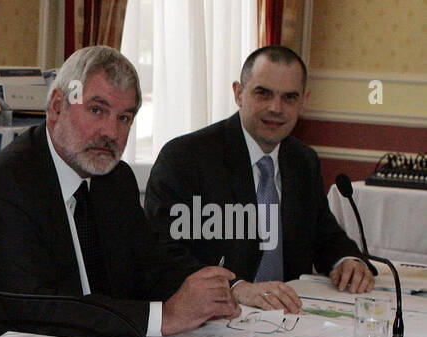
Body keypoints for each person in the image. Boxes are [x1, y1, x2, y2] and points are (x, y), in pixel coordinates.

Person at [0, 46, 240, 337]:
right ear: (58, 107)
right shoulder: (3, 187)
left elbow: (152, 262)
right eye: (97, 110)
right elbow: (38, 310)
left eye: (124, 118)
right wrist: (166, 316)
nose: (110, 132)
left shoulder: (114, 179)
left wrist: (225, 288)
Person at [145, 46, 370, 313]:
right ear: (239, 93)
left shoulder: (302, 160)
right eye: (263, 94)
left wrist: (345, 260)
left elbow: (324, 234)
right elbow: (161, 251)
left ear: (303, 102)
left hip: (289, 318)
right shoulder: (186, 158)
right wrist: (236, 287)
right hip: (212, 321)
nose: (276, 108)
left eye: (289, 98)